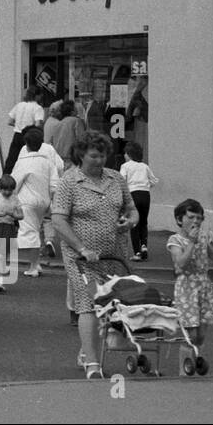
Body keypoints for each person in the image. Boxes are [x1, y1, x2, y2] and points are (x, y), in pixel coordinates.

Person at [52, 130, 139, 379]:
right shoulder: (70, 181)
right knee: (88, 304)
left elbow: (131, 209)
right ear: (81, 155)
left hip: (115, 254)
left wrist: (129, 221)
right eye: (93, 156)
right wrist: (81, 248)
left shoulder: (116, 178)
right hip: (81, 258)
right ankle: (92, 362)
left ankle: (86, 349)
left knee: (112, 304)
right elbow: (58, 220)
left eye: (102, 156)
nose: (99, 161)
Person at [167, 199, 213, 375]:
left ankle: (194, 359)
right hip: (186, 287)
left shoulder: (203, 237)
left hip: (203, 285)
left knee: (201, 332)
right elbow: (181, 263)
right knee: (190, 333)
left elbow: (212, 253)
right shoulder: (175, 240)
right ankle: (184, 370)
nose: (196, 222)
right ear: (179, 220)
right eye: (191, 217)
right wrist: (191, 242)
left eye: (199, 218)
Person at [10, 126, 61, 278]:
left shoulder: (23, 161)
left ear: (26, 144)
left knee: (29, 233)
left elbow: (15, 183)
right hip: (44, 201)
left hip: (26, 201)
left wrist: (11, 200)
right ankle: (35, 263)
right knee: (35, 230)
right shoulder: (48, 162)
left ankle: (33, 266)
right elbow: (54, 185)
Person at [0, 174, 24, 293]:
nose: (7, 192)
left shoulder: (15, 199)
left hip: (8, 228)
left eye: (10, 190)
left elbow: (21, 215)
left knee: (2, 255)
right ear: (0, 188)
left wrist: (13, 215)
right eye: (4, 189)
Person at [121, 142, 158, 261]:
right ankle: (144, 246)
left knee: (133, 222)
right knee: (143, 221)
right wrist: (146, 185)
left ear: (129, 154)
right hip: (145, 194)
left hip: (133, 194)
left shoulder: (125, 166)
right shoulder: (144, 166)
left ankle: (137, 252)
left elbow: (121, 181)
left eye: (125, 153)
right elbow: (154, 180)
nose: (124, 155)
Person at [5, 87, 45, 171]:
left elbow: (10, 121)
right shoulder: (38, 108)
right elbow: (38, 124)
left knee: (12, 159)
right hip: (29, 136)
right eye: (40, 95)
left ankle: (6, 177)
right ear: (36, 96)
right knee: (28, 159)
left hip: (17, 134)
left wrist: (19, 125)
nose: (41, 97)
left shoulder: (19, 105)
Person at [48, 99, 86, 169]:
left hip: (58, 160)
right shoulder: (76, 121)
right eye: (75, 109)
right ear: (72, 112)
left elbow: (52, 142)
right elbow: (82, 140)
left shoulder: (58, 124)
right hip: (72, 160)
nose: (77, 111)